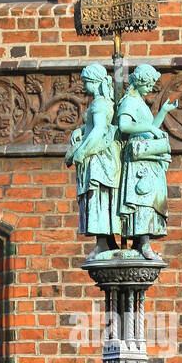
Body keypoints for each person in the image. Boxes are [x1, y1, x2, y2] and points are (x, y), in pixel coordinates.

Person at [116, 64, 176, 260]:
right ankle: (143, 244)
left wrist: (163, 112)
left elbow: (150, 129)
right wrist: (152, 128)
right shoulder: (129, 102)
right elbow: (124, 125)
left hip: (148, 156)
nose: (151, 88)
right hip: (139, 158)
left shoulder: (140, 102)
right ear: (140, 81)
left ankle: (140, 244)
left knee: (149, 200)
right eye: (149, 84)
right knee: (142, 199)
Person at [65, 63, 121, 259]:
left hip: (98, 158)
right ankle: (108, 240)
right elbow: (94, 126)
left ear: (94, 81)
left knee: (98, 196)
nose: (83, 86)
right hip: (100, 155)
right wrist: (79, 130)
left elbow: (98, 131)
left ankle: (103, 242)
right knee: (100, 197)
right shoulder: (103, 103)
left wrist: (81, 152)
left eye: (85, 82)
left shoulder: (99, 104)